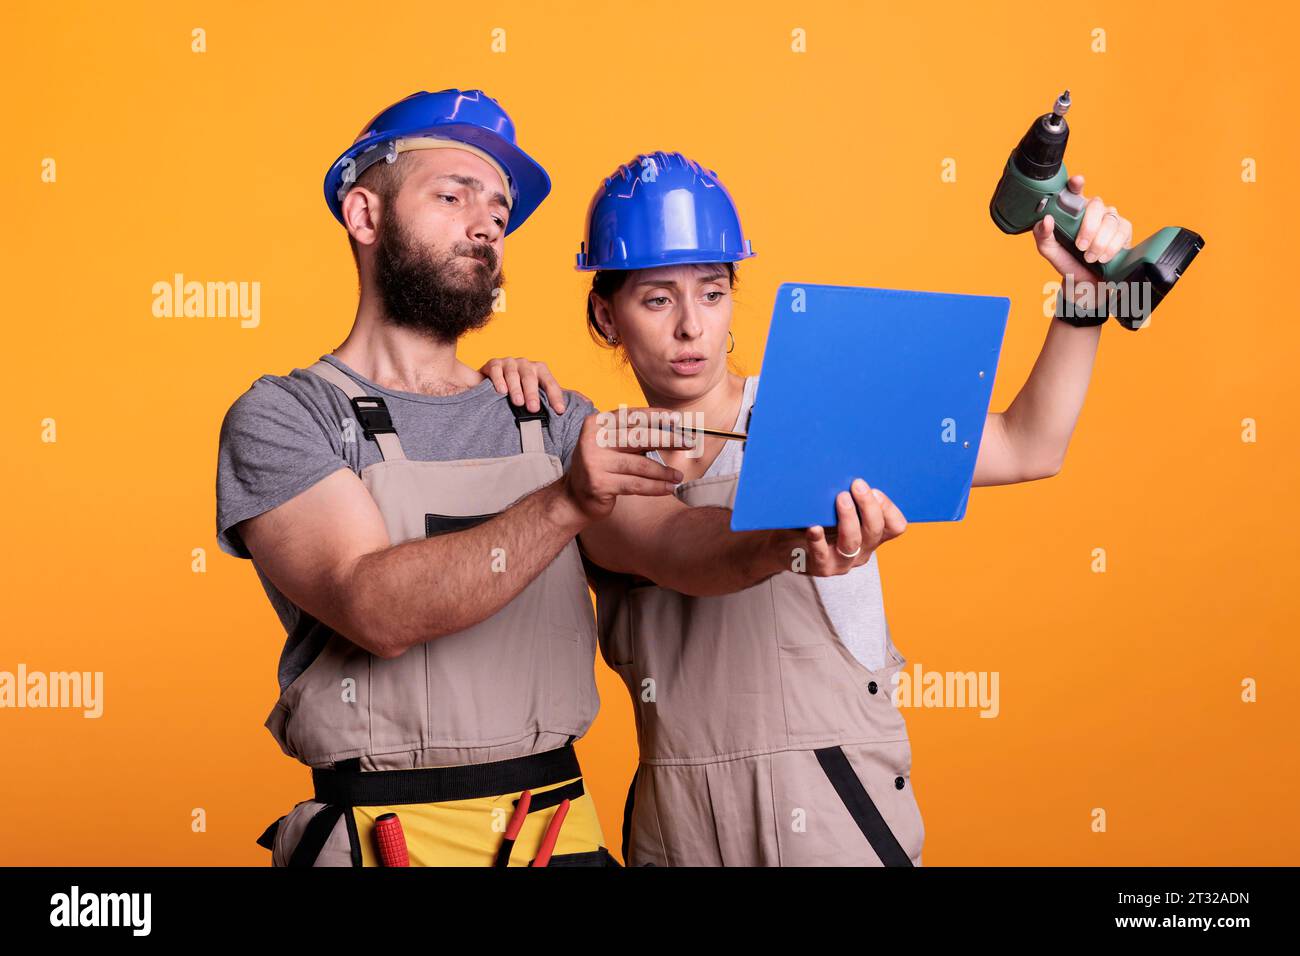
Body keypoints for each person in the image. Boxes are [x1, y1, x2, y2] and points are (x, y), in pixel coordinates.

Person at [486, 149, 1130, 865]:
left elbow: (1027, 445)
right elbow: (680, 548)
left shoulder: (820, 415)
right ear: (607, 314)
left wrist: (1084, 299)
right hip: (680, 835)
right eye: (658, 298)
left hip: (836, 816)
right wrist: (488, 386)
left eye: (712, 291)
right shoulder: (602, 467)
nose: (691, 328)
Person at [214, 91, 686, 867]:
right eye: (452, 195)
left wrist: (799, 525)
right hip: (382, 845)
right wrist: (566, 500)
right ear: (364, 216)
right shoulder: (288, 415)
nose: (485, 225)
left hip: (559, 840)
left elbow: (674, 546)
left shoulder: (548, 413)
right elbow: (374, 607)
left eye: (498, 212)